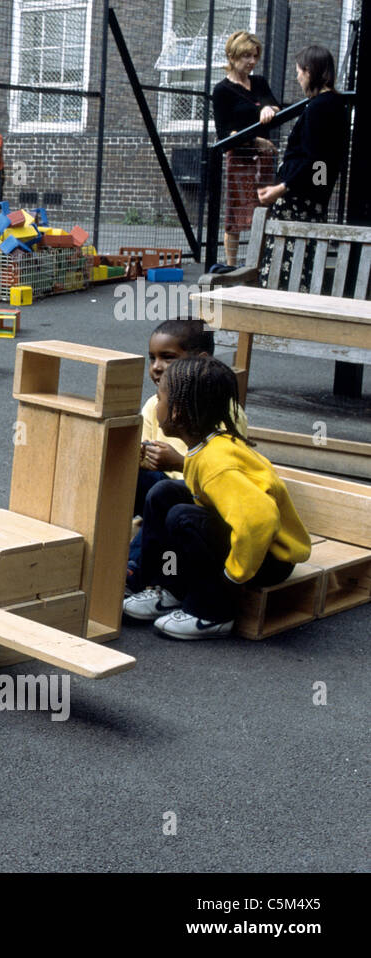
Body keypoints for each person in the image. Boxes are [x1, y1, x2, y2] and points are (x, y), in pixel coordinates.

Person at [122, 356, 309, 640]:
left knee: (183, 518)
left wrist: (232, 576)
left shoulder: (217, 461)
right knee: (164, 493)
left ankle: (212, 613)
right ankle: (170, 589)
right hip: (247, 543)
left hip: (268, 558)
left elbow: (260, 520)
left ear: (177, 413)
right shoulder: (205, 447)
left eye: (160, 399)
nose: (155, 405)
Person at [126, 318, 248, 593]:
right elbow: (141, 452)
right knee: (125, 475)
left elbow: (226, 476)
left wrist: (179, 463)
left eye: (168, 358)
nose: (156, 367)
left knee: (162, 490)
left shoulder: (225, 413)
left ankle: (137, 570)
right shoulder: (154, 405)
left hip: (203, 499)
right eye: (153, 358)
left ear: (200, 361)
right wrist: (140, 458)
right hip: (161, 491)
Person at [257, 44, 349, 289]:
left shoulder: (318, 107)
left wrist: (283, 188)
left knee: (283, 262)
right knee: (305, 262)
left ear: (310, 71)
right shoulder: (336, 105)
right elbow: (324, 160)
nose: (297, 77)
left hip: (296, 201)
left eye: (299, 71)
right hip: (312, 198)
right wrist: (319, 191)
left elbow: (312, 157)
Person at [211, 30, 279, 266]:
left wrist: (268, 108)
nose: (252, 61)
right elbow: (224, 133)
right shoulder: (221, 90)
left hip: (264, 159)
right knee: (236, 213)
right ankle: (231, 266)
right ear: (233, 55)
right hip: (240, 157)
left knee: (264, 211)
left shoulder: (258, 82)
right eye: (247, 56)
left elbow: (273, 104)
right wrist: (254, 141)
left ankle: (259, 264)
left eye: (255, 56)